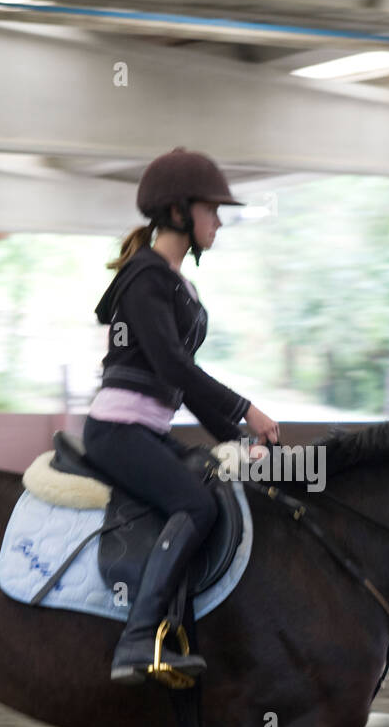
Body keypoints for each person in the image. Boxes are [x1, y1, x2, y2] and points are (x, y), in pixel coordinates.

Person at [84, 147, 279, 684]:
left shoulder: (177, 284)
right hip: (116, 432)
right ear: (178, 213)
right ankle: (137, 640)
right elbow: (172, 363)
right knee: (194, 505)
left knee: (215, 484)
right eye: (211, 210)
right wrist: (245, 408)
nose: (218, 221)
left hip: (148, 430)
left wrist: (236, 439)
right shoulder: (144, 277)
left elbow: (181, 382)